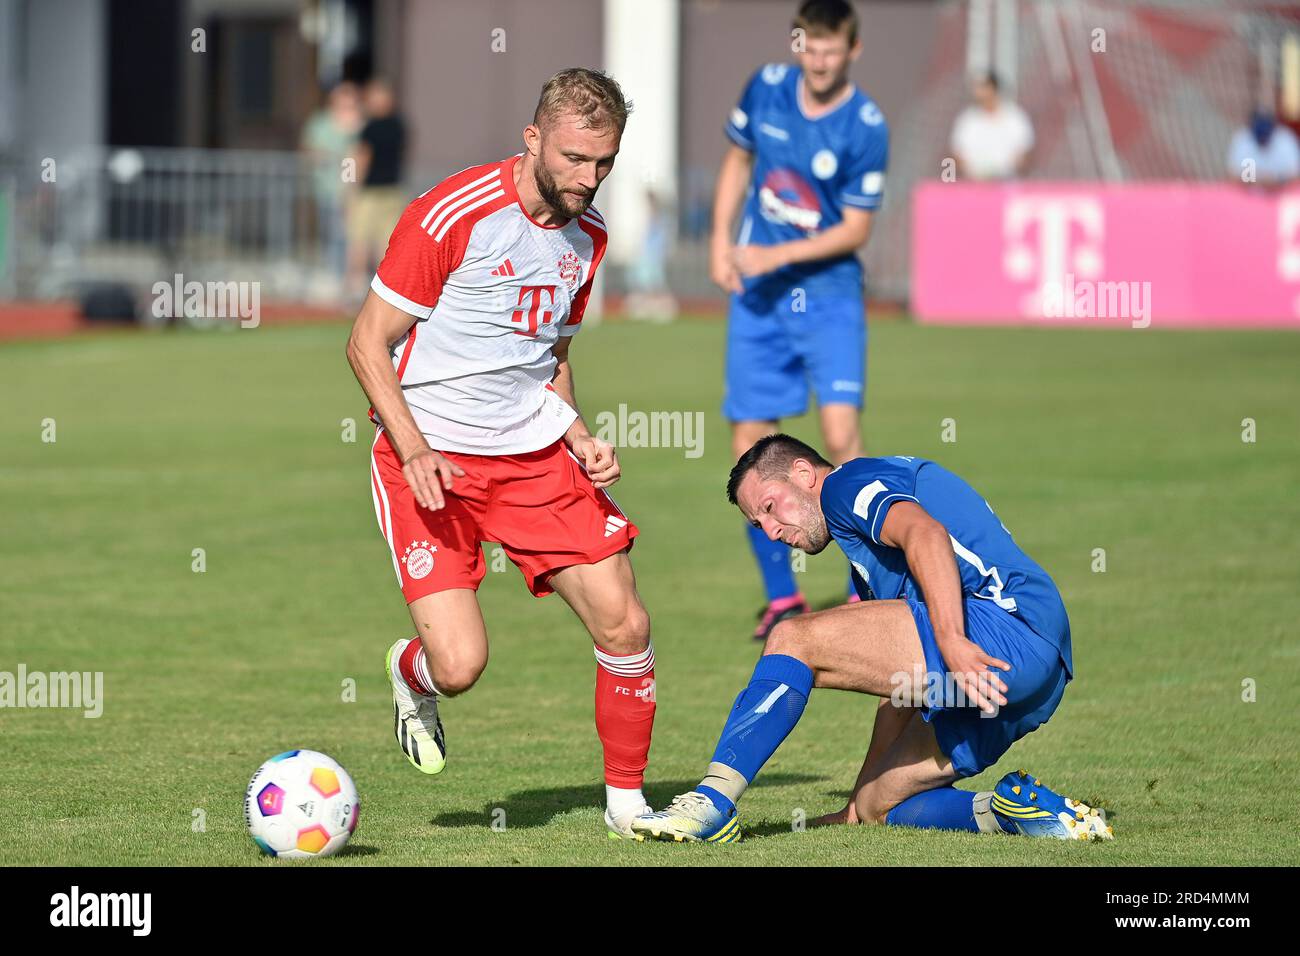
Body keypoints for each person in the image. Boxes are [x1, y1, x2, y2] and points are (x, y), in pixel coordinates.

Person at [345, 68, 658, 840]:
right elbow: (366, 344)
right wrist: (413, 449)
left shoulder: (589, 240)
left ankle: (627, 809)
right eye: (576, 159)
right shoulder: (452, 214)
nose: (590, 179)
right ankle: (411, 674)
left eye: (605, 163)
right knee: (460, 667)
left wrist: (576, 431)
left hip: (534, 460)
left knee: (625, 623)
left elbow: (548, 352)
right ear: (533, 138)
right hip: (432, 462)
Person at [632, 435, 1111, 844]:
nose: (773, 532)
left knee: (791, 637)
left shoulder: (845, 485)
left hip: (1006, 631)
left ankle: (709, 804)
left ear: (802, 472)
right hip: (1028, 679)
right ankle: (1013, 811)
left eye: (770, 509)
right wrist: (855, 805)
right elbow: (899, 686)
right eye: (760, 526)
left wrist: (951, 641)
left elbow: (926, 534)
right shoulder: (866, 556)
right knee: (878, 804)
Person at [712, 0, 889, 640]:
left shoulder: (866, 124)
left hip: (829, 296)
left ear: (853, 50)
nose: (819, 60)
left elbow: (858, 226)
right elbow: (737, 159)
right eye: (809, 47)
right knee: (749, 445)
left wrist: (774, 252)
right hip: (759, 298)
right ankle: (783, 597)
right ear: (797, 43)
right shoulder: (765, 88)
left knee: (840, 438)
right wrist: (718, 240)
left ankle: (862, 587)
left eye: (831, 50)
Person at [347, 78, 409, 298]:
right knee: (386, 244)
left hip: (371, 192)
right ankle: (383, 291)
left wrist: (352, 190)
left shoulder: (370, 128)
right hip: (393, 190)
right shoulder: (400, 125)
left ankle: (355, 289)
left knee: (360, 241)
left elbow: (362, 158)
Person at [301, 81, 362, 280]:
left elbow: (358, 157)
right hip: (327, 188)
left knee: (353, 236)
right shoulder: (321, 123)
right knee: (333, 233)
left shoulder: (360, 124)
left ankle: (349, 276)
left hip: (354, 191)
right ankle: (335, 274)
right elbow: (310, 150)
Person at [949, 71, 1034, 181]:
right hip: (974, 184)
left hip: (1008, 184)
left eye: (982, 87)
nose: (977, 92)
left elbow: (1025, 151)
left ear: (993, 88)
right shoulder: (967, 120)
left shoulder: (1015, 117)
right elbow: (957, 153)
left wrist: (1005, 169)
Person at [1226, 109, 1300, 186]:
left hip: (1282, 192)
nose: (1263, 139)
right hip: (1249, 192)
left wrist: (1275, 180)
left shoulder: (1285, 139)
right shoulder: (1242, 139)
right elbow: (1232, 174)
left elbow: (1295, 175)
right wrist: (1257, 180)